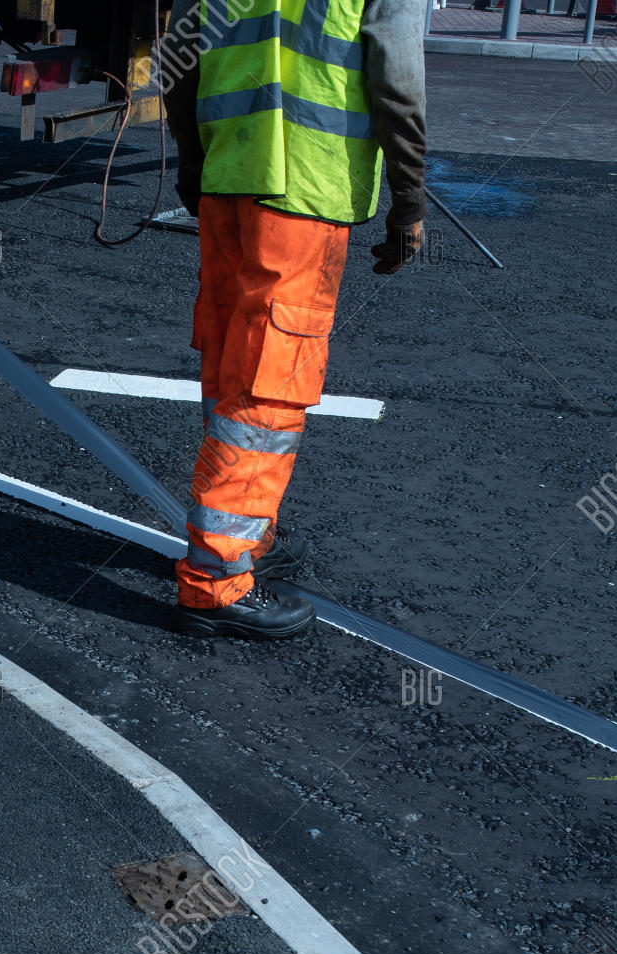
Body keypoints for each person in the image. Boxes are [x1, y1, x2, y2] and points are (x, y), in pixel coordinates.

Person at [159, 0, 427, 639]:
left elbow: (177, 56)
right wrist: (409, 197)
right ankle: (218, 577)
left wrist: (196, 162)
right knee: (267, 383)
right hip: (305, 193)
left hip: (228, 180)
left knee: (233, 368)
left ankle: (242, 534)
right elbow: (396, 76)